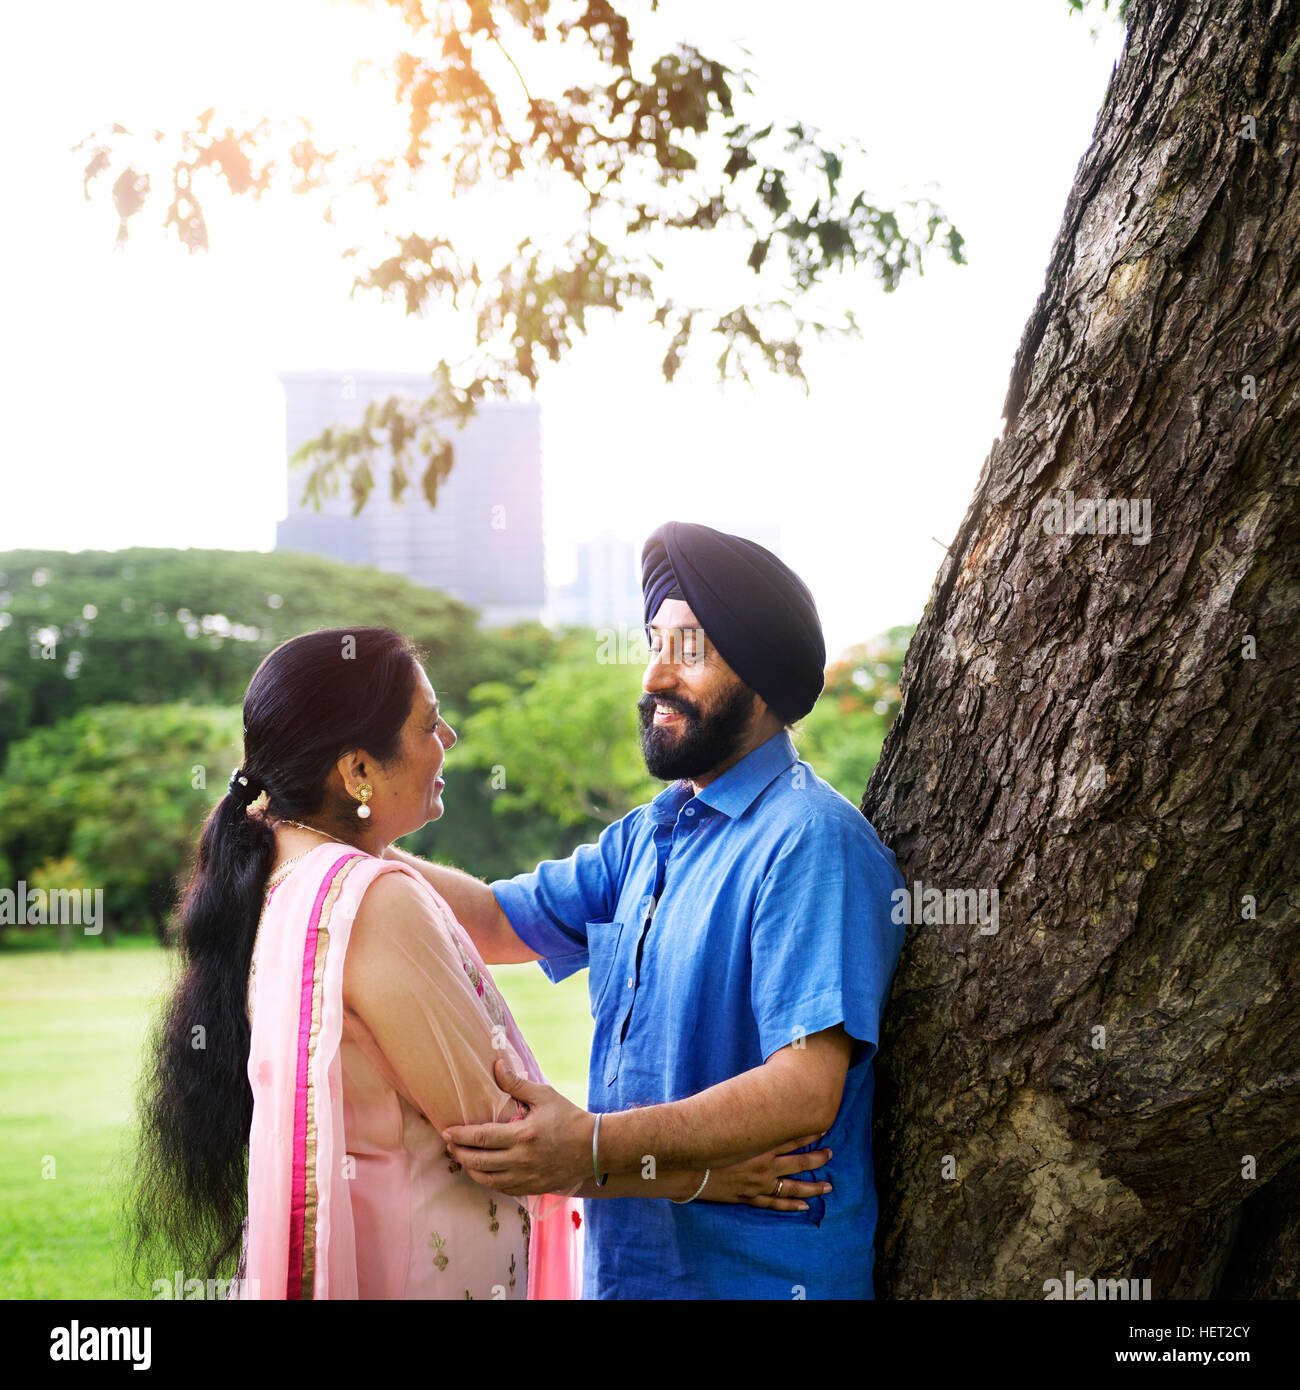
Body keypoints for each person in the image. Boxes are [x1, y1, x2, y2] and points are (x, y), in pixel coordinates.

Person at [128, 624, 828, 1300]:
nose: (448, 738)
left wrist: (327, 817)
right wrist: (701, 1176)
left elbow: (495, 918)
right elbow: (508, 1138)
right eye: (428, 724)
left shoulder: (282, 870)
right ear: (359, 770)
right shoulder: (374, 900)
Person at [391, 522, 907, 1299]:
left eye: (689, 649)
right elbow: (494, 922)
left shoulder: (810, 842)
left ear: (762, 676)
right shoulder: (651, 834)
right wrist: (330, 831)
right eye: (653, 644)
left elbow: (804, 1089)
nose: (655, 675)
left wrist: (591, 1146)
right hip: (634, 1274)